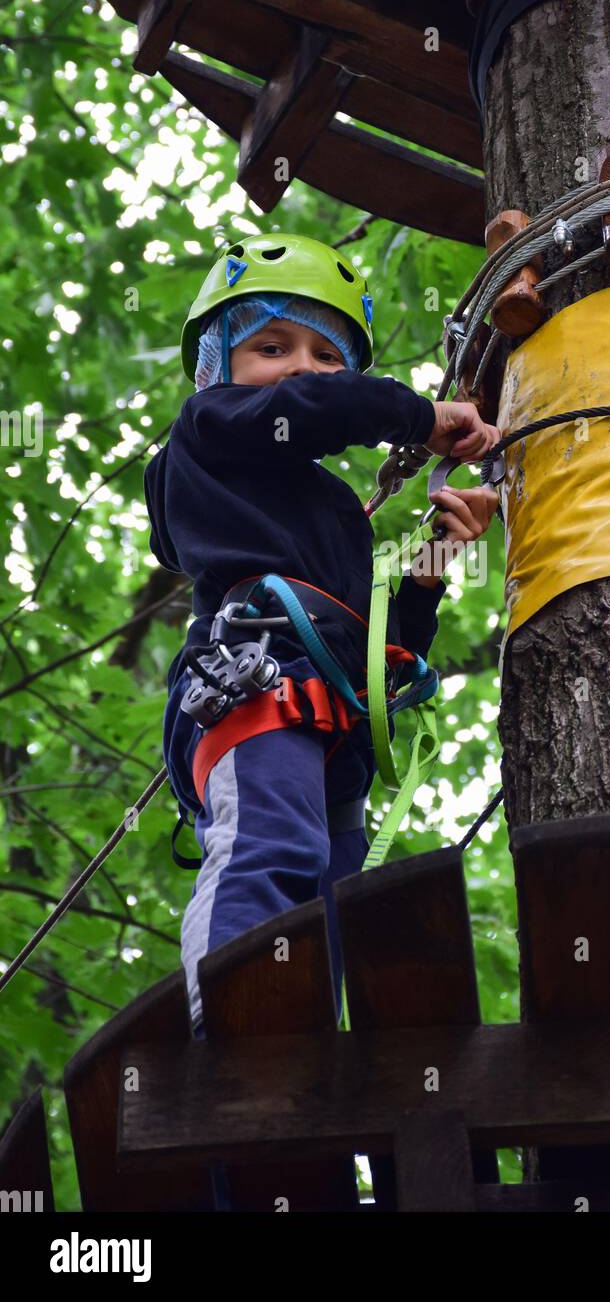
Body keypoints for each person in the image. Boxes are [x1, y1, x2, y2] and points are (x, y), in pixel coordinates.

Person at [143, 232, 501, 1036]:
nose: (302, 366)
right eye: (272, 347)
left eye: (324, 354)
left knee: (333, 902)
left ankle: (299, 1046)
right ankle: (227, 1038)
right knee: (270, 852)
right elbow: (306, 410)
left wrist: (433, 562)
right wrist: (415, 414)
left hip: (332, 715)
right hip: (253, 675)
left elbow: (374, 644)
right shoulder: (205, 432)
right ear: (217, 369)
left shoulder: (330, 509)